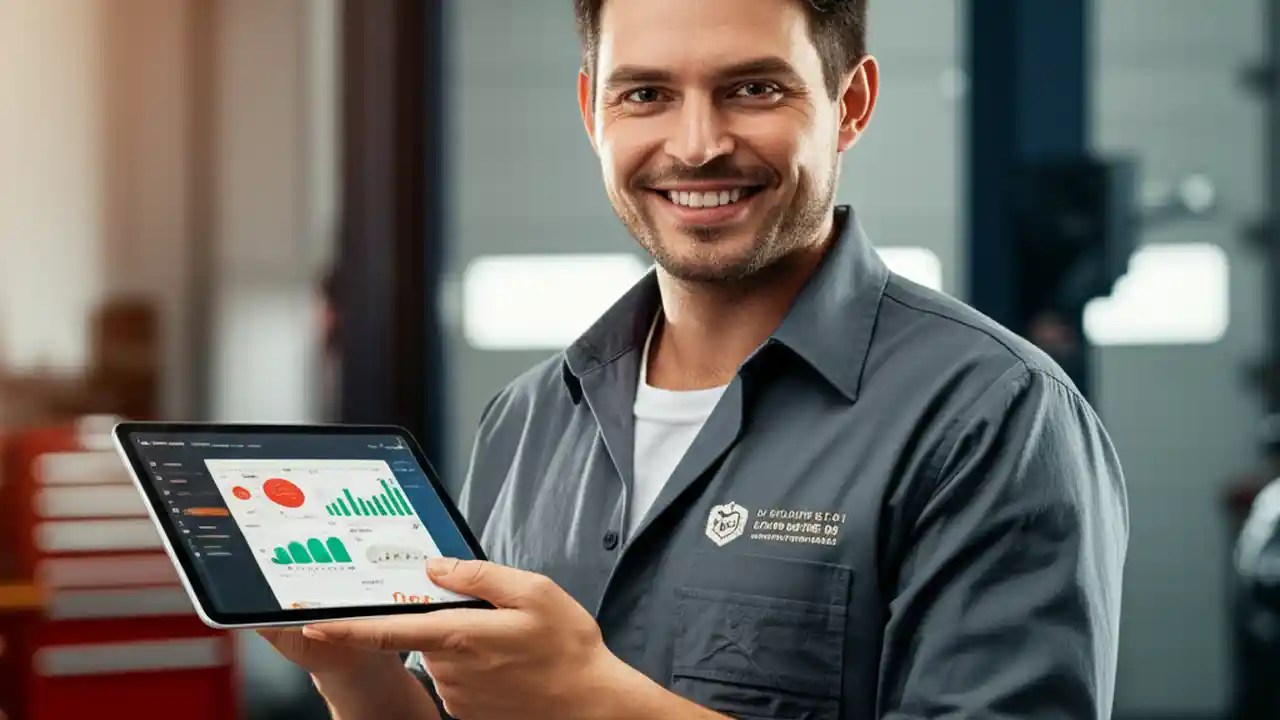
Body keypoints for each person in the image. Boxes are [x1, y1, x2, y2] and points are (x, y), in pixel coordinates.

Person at [262, 0, 1129, 717]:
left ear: (851, 102)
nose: (696, 145)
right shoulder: (529, 418)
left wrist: (596, 701)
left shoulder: (994, 417)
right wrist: (350, 665)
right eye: (644, 95)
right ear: (589, 111)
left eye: (753, 88)